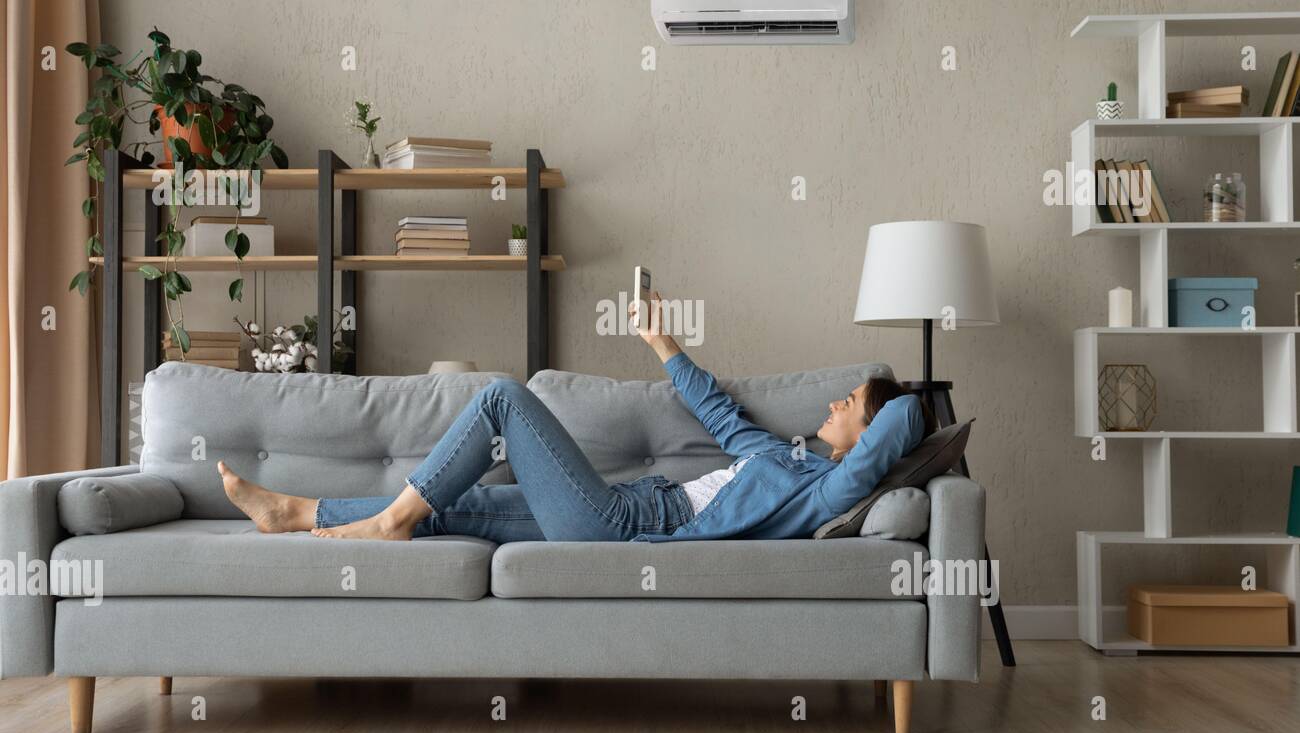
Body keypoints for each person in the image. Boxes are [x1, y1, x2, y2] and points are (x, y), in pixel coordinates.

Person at [220, 292, 933, 543]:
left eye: (852, 406)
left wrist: (901, 400)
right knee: (459, 504)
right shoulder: (789, 456)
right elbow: (716, 409)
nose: (836, 402)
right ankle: (297, 513)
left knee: (502, 397)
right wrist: (658, 337)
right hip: (625, 504)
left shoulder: (829, 490)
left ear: (869, 436)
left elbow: (904, 423)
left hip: (632, 527)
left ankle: (385, 523)